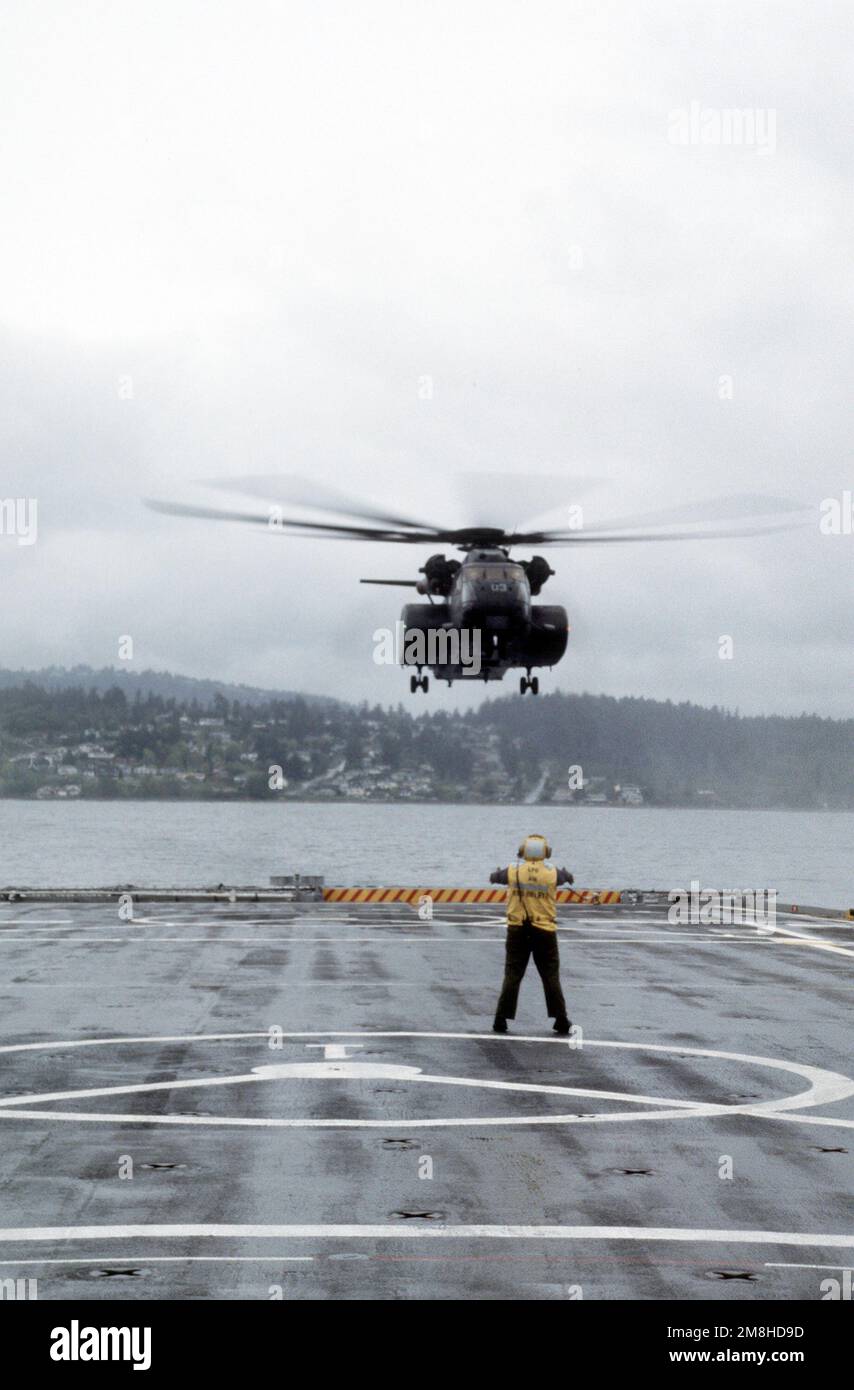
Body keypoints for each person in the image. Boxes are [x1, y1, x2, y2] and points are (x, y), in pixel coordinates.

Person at [490, 834, 573, 1035]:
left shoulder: (513, 871)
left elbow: (494, 878)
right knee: (550, 975)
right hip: (544, 931)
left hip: (517, 929)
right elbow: (568, 878)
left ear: (522, 852)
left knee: (512, 974)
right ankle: (560, 1019)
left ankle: (500, 1019)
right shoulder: (552, 873)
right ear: (546, 852)